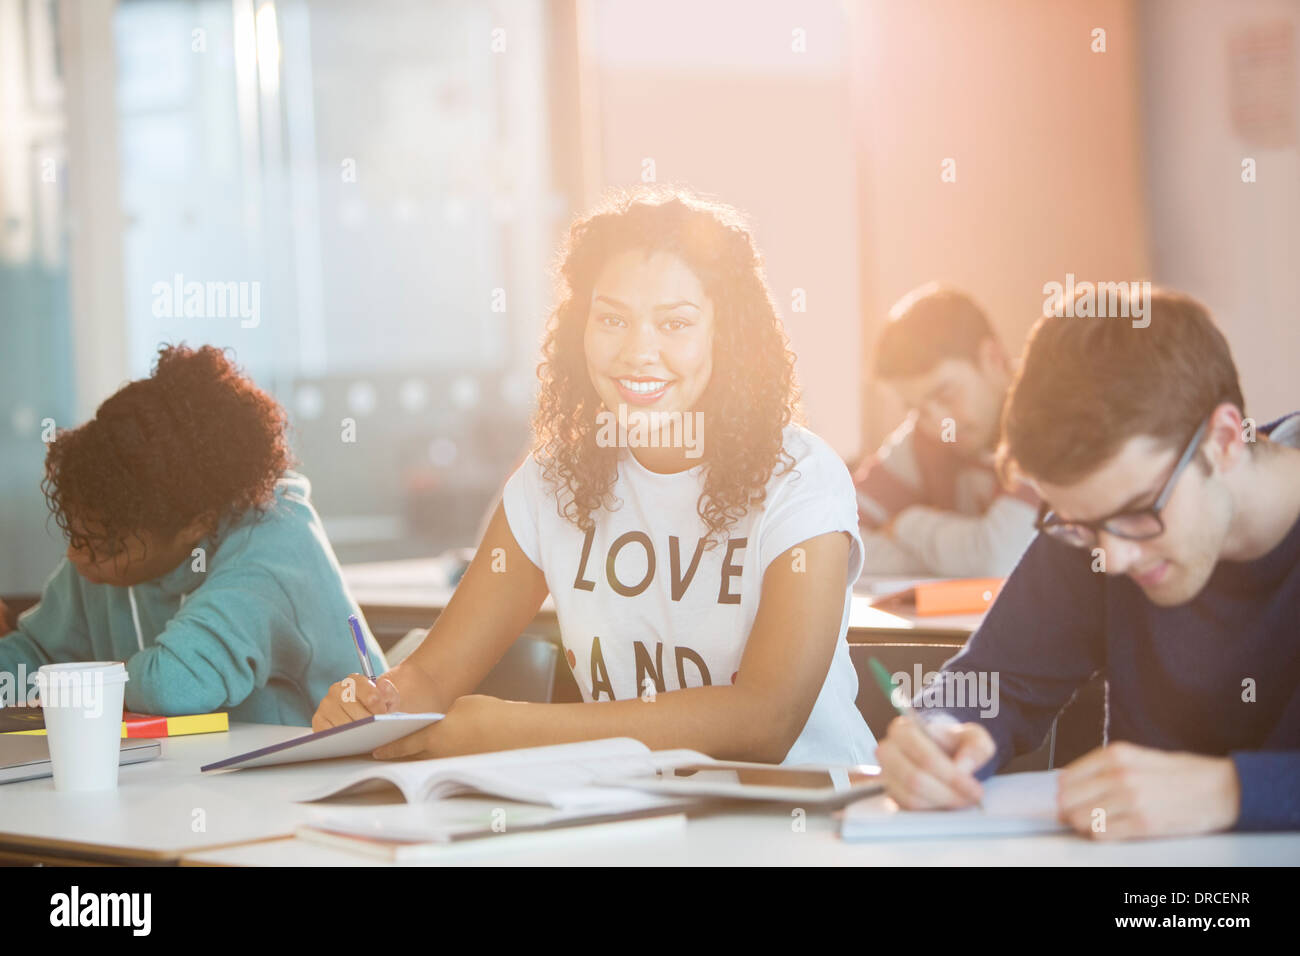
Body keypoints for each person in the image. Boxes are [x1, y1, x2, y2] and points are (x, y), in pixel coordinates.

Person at [312, 187, 875, 766]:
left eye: (675, 324)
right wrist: (376, 704)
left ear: (725, 335)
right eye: (612, 319)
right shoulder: (551, 481)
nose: (638, 352)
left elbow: (765, 720)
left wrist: (512, 731)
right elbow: (431, 676)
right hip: (635, 816)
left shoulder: (800, 476)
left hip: (806, 824)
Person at [874, 289, 1300, 837]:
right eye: (1079, 524)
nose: (1113, 558)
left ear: (1222, 440)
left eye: (1140, 512)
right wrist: (939, 733)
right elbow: (994, 680)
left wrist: (1230, 790)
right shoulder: (1098, 524)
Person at [0, 344, 385, 725]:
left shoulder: (276, 544)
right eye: (77, 536)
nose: (76, 557)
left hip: (328, 776)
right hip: (188, 777)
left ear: (195, 525)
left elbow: (172, 684)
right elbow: (36, 657)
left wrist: (79, 681)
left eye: (104, 548)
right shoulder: (105, 554)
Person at [854, 283, 1036, 577]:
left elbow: (1000, 559)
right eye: (919, 409)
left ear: (993, 359)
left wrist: (908, 525)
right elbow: (836, 540)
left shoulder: (1048, 421)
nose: (939, 425)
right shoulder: (921, 437)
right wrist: (953, 559)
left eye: (946, 395)